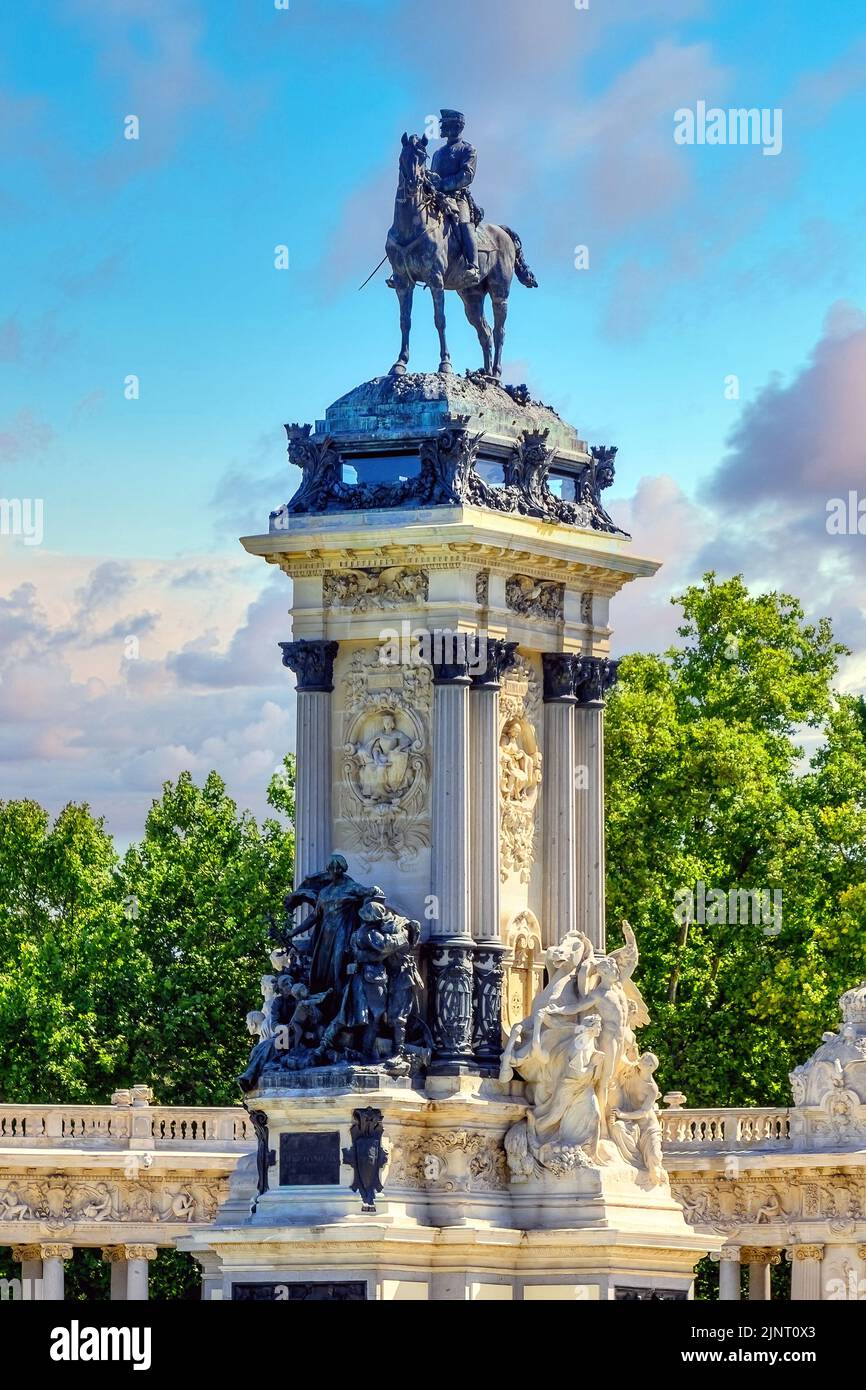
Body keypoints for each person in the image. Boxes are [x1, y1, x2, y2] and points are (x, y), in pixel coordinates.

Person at [428, 109, 480, 285]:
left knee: (464, 224)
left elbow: (467, 176)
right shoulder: (437, 154)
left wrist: (442, 184)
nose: (441, 128)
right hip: (436, 198)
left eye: (445, 125)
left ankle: (473, 266)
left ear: (455, 127)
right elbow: (433, 176)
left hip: (458, 198)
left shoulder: (467, 149)